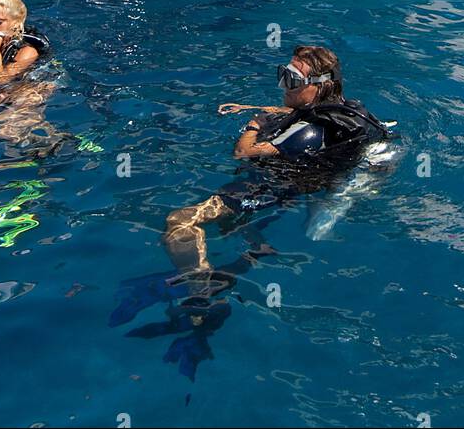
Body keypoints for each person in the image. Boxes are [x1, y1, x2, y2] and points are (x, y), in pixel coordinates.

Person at [162, 45, 390, 274]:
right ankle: (256, 246)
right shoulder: (340, 109)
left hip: (270, 186)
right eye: (283, 74)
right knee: (225, 220)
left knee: (180, 221)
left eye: (291, 80)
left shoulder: (307, 133)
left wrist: (254, 124)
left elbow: (243, 153)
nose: (282, 85)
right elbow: (293, 112)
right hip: (296, 177)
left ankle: (201, 286)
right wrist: (253, 107)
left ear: (319, 86)